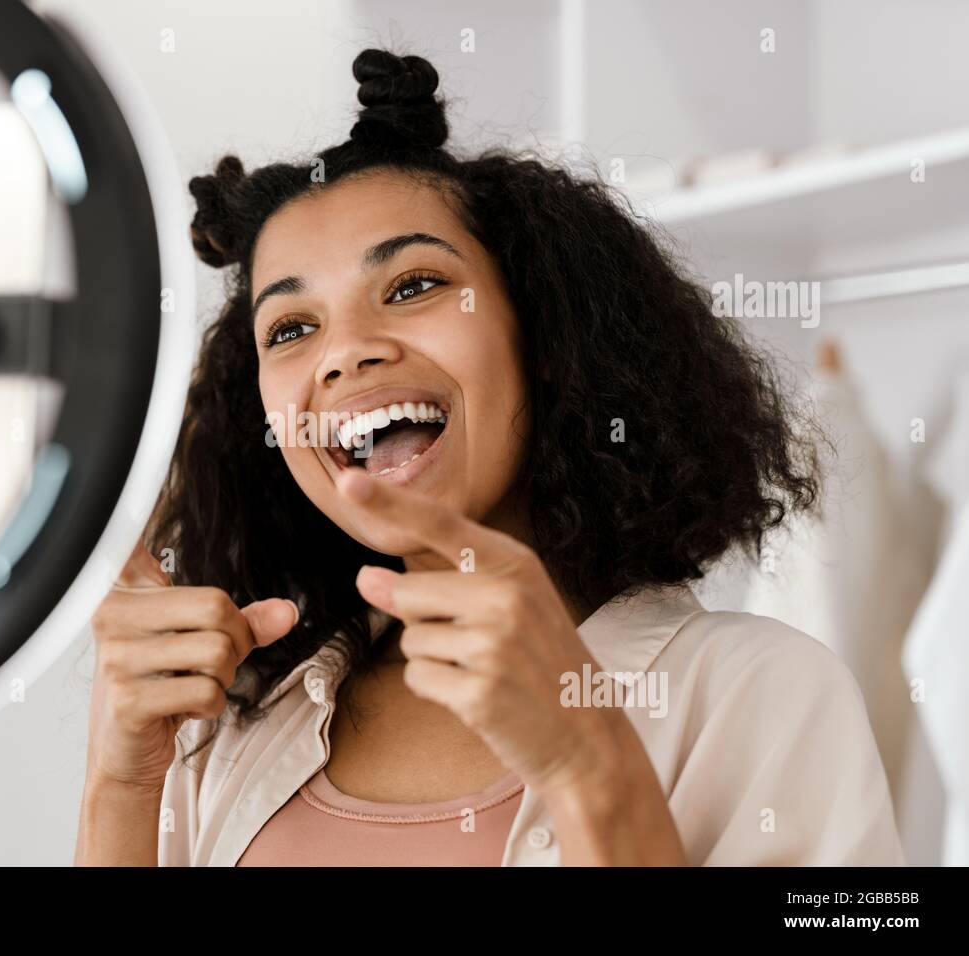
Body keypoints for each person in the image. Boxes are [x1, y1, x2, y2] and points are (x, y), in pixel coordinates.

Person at [74, 48, 903, 867]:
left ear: (540, 335)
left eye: (412, 286)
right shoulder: (231, 722)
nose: (346, 352)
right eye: (291, 330)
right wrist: (119, 785)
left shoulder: (766, 692)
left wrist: (590, 766)